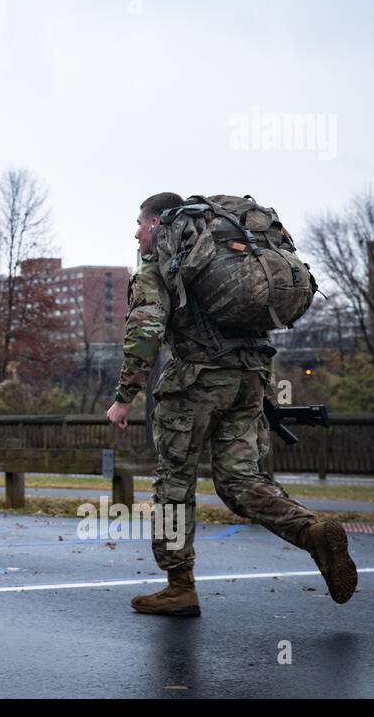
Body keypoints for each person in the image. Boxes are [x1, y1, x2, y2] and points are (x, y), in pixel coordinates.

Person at [104, 192, 357, 616]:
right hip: (250, 380)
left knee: (174, 485)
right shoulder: (215, 255)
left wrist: (124, 397)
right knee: (241, 481)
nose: (135, 233)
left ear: (154, 223)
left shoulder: (162, 262)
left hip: (195, 385)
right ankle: (312, 532)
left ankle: (179, 586)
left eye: (138, 223)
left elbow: (145, 331)